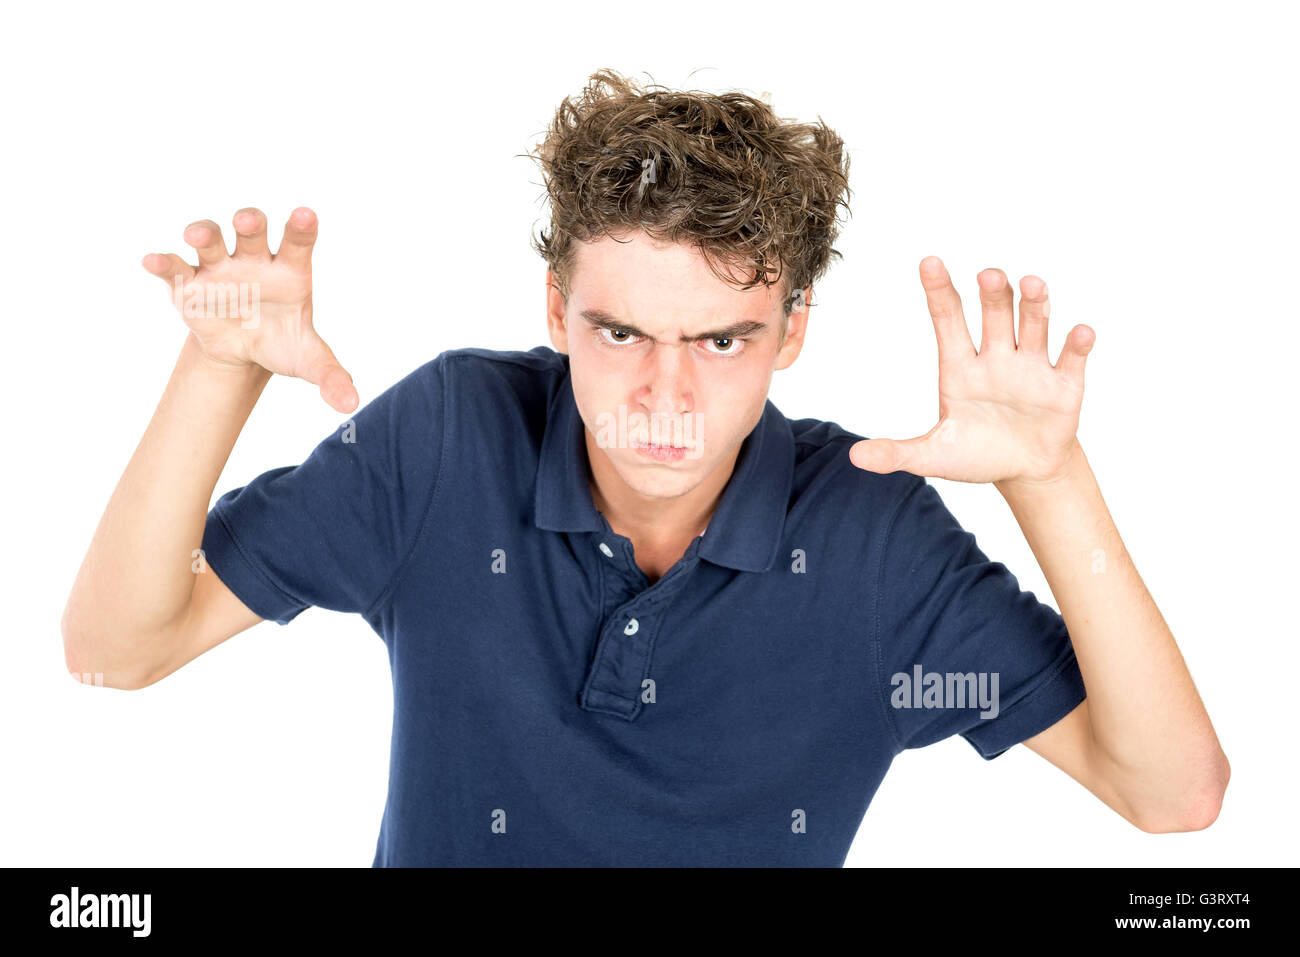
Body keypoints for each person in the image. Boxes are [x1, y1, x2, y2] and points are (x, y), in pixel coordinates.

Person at [62, 69, 1229, 866]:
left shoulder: (872, 541)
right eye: (622, 334)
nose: (665, 397)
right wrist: (218, 372)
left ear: (792, 333)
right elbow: (116, 654)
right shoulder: (452, 440)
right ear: (560, 312)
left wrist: (1049, 480)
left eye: (722, 341)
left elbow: (1170, 795)